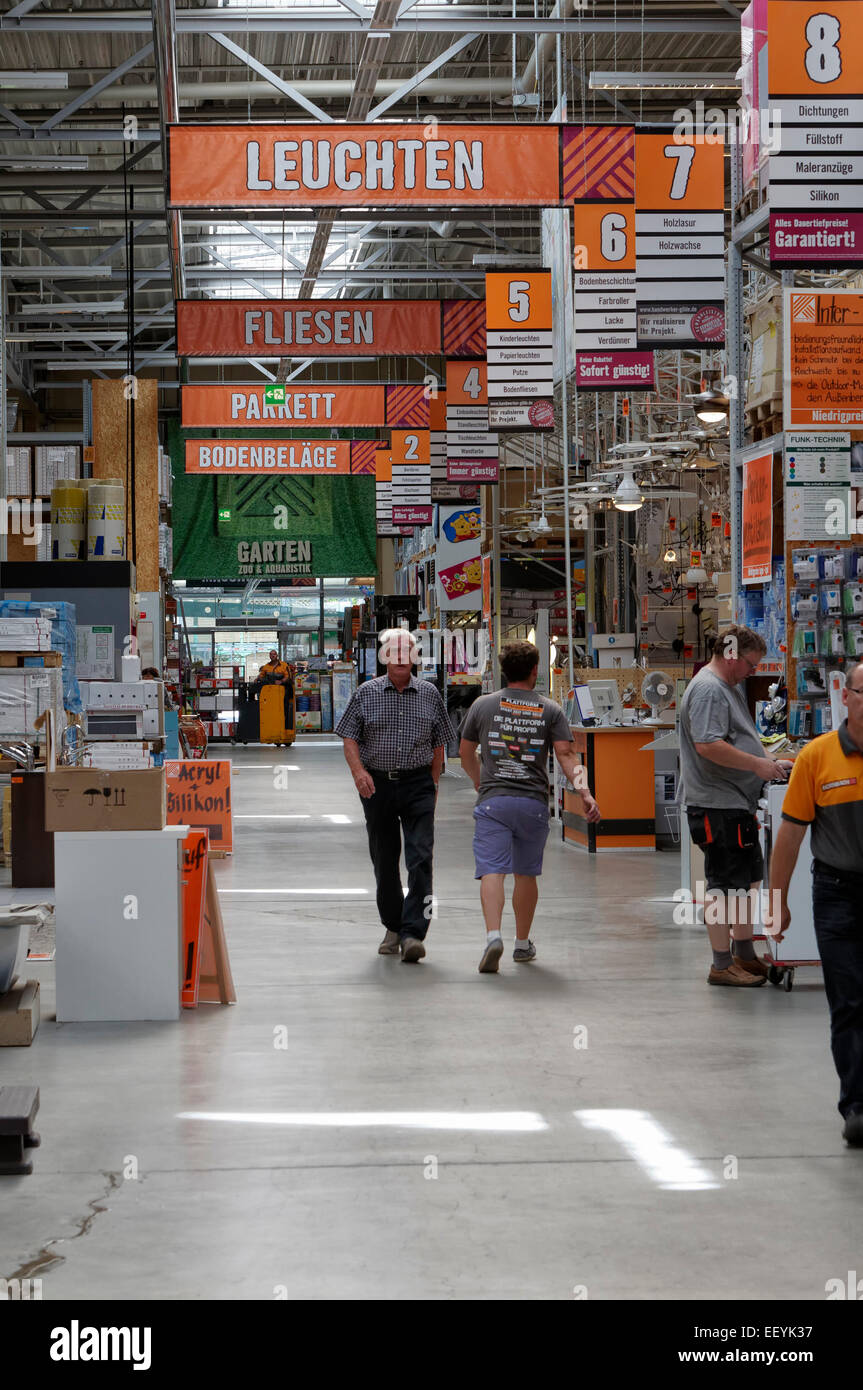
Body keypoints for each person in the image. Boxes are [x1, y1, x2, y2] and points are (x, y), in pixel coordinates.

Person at [459, 640, 601, 974]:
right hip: (532, 803)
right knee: (525, 872)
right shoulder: (550, 710)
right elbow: (566, 755)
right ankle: (522, 944)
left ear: (503, 671)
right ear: (535, 671)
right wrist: (586, 793)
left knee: (492, 869)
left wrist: (480, 782)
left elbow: (465, 753)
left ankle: (494, 936)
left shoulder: (482, 706)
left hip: (494, 801)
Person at [766, 661, 863, 1145]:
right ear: (846, 696)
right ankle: (857, 1105)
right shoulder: (817, 758)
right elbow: (789, 837)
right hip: (839, 895)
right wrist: (776, 902)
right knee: (848, 1002)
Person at [679, 625, 793, 988]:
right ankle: (721, 963)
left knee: (745, 880)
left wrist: (770, 762)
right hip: (717, 802)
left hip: (735, 803)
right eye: (750, 664)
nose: (752, 671)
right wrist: (758, 765)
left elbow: (737, 738)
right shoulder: (710, 690)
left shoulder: (726, 689)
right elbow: (708, 745)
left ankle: (743, 951)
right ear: (731, 655)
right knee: (724, 884)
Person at [336, 628, 455, 963]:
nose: (401, 657)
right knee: (385, 860)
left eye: (407, 651)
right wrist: (359, 773)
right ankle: (393, 924)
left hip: (418, 784)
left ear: (415, 657)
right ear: (384, 657)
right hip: (377, 786)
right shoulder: (366, 693)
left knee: (421, 858)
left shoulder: (430, 694)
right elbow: (349, 737)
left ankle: (413, 933)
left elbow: (439, 742)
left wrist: (433, 783)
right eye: (394, 651)